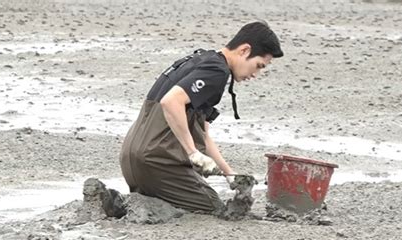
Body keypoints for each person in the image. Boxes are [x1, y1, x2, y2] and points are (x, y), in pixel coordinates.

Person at [120, 22, 283, 214]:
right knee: (214, 209)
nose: (255, 74)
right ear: (244, 50)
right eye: (258, 66)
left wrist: (230, 175)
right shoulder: (217, 71)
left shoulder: (201, 60)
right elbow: (171, 102)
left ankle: (120, 204)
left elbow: (204, 135)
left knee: (169, 202)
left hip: (130, 159)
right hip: (158, 163)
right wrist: (192, 152)